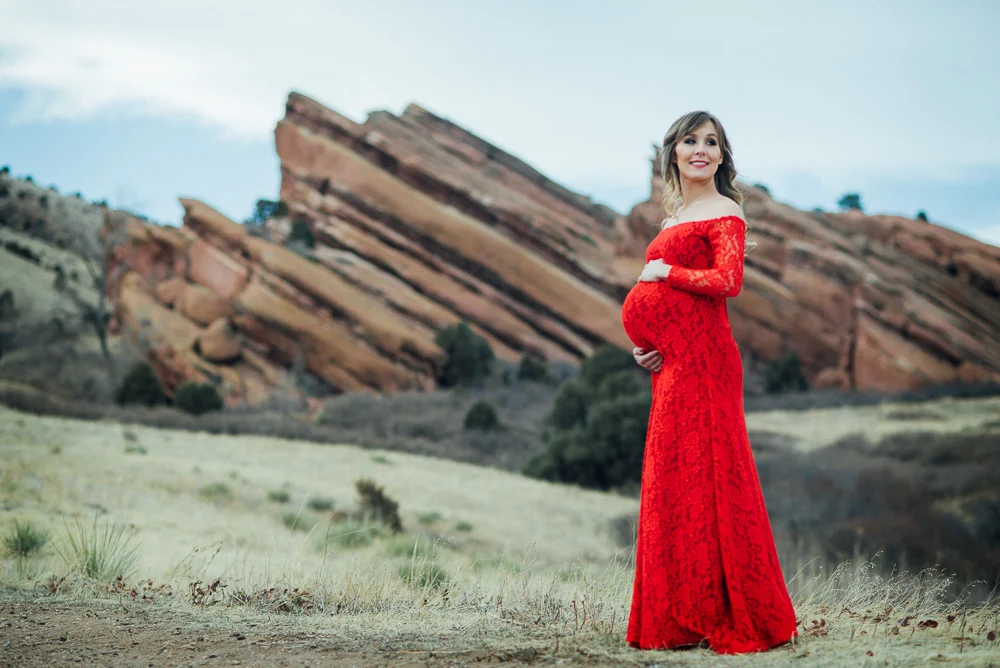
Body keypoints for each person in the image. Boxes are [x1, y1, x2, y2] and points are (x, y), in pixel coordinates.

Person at [620, 110, 797, 654]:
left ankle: (729, 612)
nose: (701, 150)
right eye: (691, 141)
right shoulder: (675, 217)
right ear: (673, 152)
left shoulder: (725, 211)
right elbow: (668, 305)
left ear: (722, 157)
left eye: (712, 142)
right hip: (673, 365)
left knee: (711, 476)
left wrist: (665, 273)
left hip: (706, 364)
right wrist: (648, 346)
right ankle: (681, 615)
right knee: (674, 479)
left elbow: (728, 281)